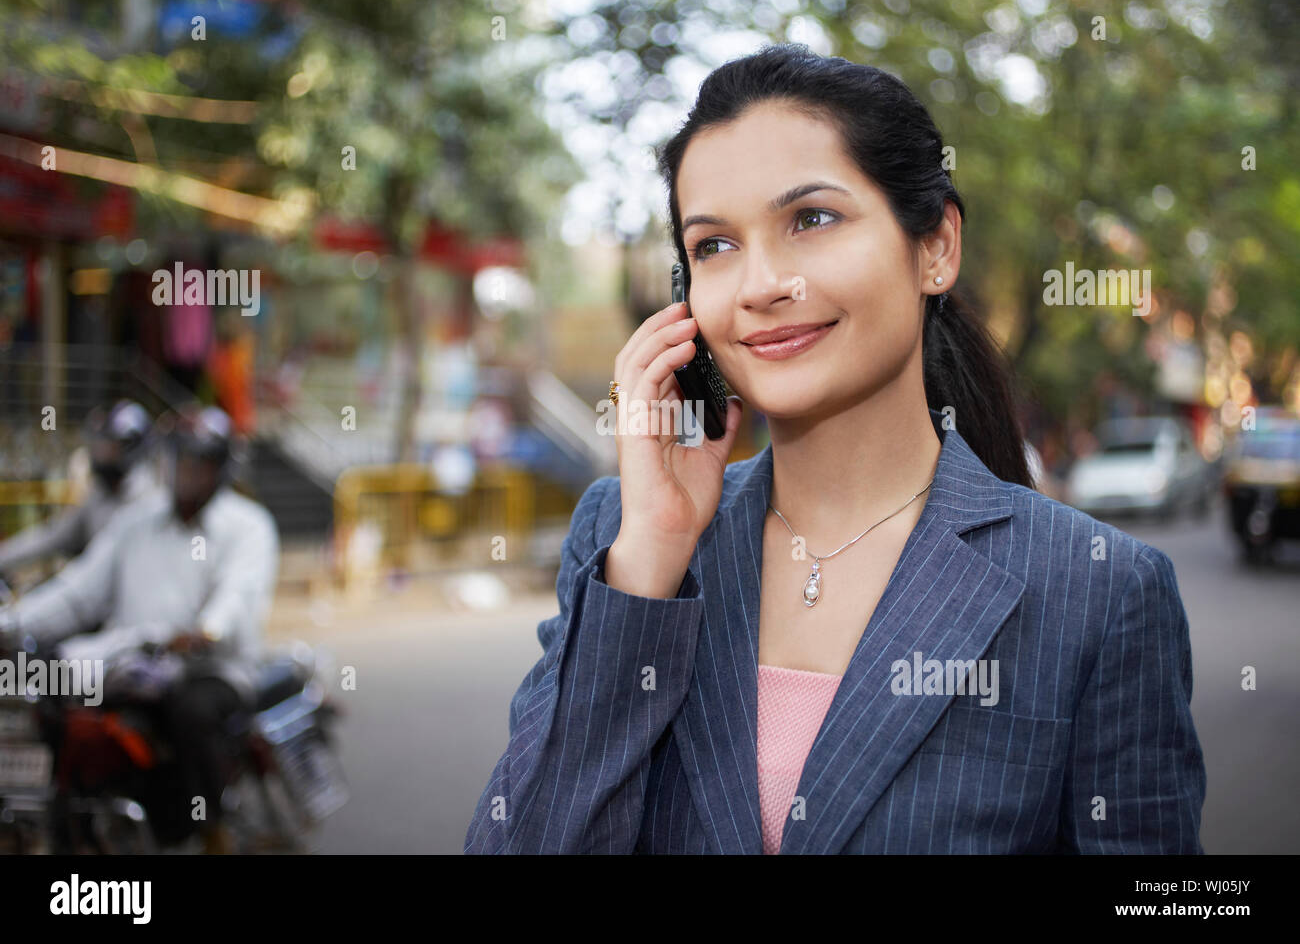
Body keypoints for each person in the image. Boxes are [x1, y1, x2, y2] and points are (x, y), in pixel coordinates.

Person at [464, 44, 1206, 855]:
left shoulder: (1097, 592)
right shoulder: (625, 541)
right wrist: (650, 561)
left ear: (936, 249)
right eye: (714, 245)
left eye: (811, 220)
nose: (760, 284)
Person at [0, 405, 279, 852]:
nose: (185, 471)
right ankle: (67, 820)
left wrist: (205, 630)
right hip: (127, 662)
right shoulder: (135, 522)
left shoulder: (248, 526)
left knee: (192, 713)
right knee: (47, 696)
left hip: (209, 669)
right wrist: (10, 626)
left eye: (198, 462)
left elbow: (239, 594)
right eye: (179, 459)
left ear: (220, 468)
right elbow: (77, 592)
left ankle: (211, 830)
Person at [0, 400, 160, 578]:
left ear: (132, 448)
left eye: (110, 447)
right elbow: (52, 537)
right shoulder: (100, 495)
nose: (101, 454)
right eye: (100, 444)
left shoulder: (147, 504)